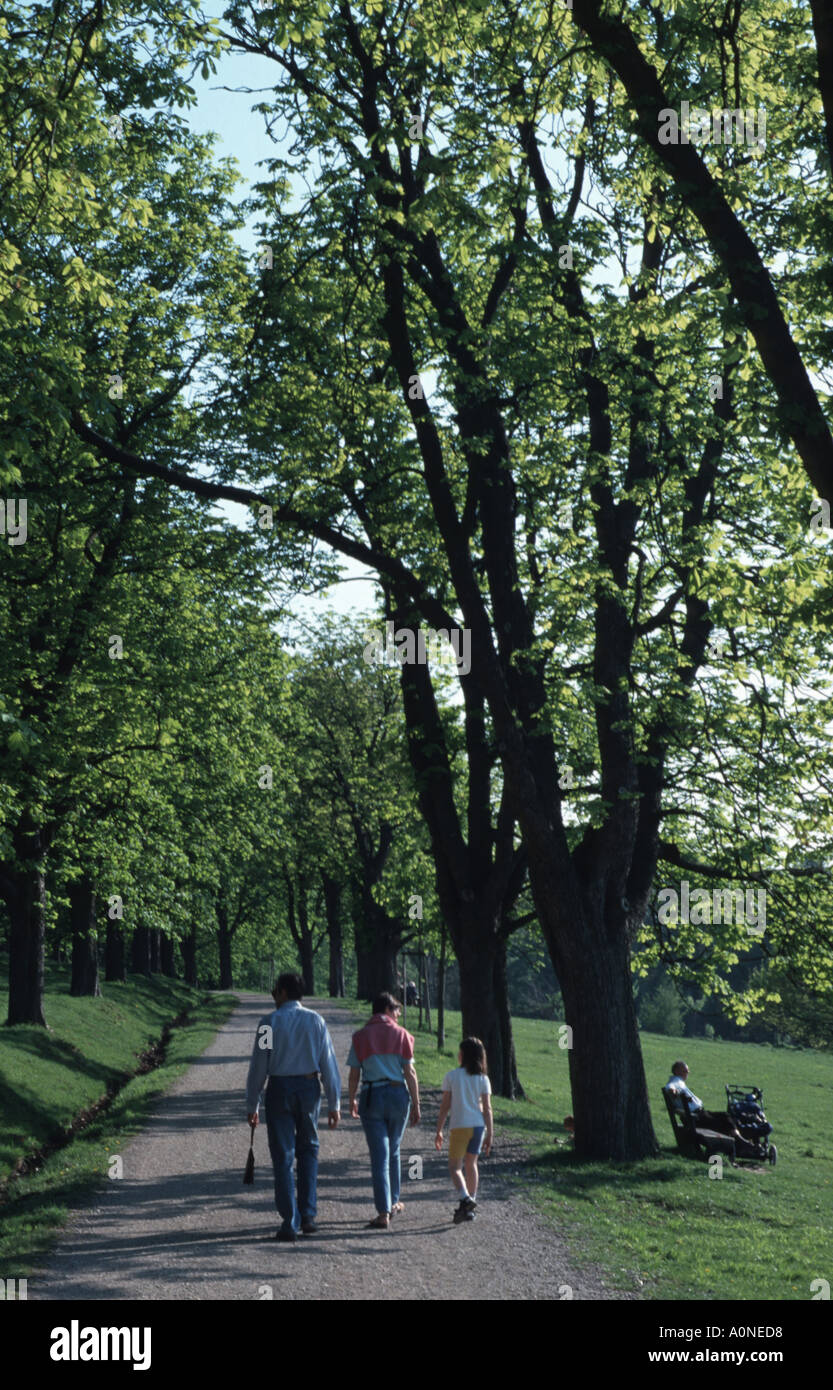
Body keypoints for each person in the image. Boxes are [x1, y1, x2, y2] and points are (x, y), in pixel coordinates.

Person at [245, 972, 341, 1243]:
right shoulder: (316, 1021)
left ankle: (290, 1220)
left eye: (275, 990)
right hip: (309, 1088)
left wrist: (253, 1103)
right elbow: (329, 1064)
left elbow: (258, 1068)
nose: (273, 995)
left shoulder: (268, 1024)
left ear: (284, 992)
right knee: (309, 1150)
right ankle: (308, 1215)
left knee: (283, 1155)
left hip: (279, 1090)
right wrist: (335, 1102)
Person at [347, 991, 421, 1229]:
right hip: (398, 1095)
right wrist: (417, 1104)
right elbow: (410, 1073)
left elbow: (354, 1073)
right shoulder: (402, 1036)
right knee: (395, 1150)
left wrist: (351, 1099)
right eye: (397, 1009)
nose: (399, 1014)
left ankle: (383, 1212)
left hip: (372, 1095)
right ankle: (394, 1201)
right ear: (387, 1010)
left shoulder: (360, 1037)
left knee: (380, 1156)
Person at [435, 1037, 493, 1225]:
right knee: (471, 1164)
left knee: (455, 1167)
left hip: (460, 1126)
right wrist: (490, 1133)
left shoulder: (452, 1076)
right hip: (478, 1127)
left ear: (463, 1055)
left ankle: (465, 1198)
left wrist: (439, 1130)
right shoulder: (483, 1079)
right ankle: (471, 1202)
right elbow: (488, 1108)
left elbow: (445, 1106)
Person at [665, 1060, 743, 1140]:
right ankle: (740, 1142)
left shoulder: (679, 1081)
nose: (688, 1072)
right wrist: (675, 1093)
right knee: (725, 1121)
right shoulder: (676, 1081)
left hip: (698, 1115)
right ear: (677, 1071)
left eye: (688, 1070)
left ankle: (740, 1140)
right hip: (696, 1118)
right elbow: (670, 1088)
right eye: (685, 1070)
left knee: (725, 1115)